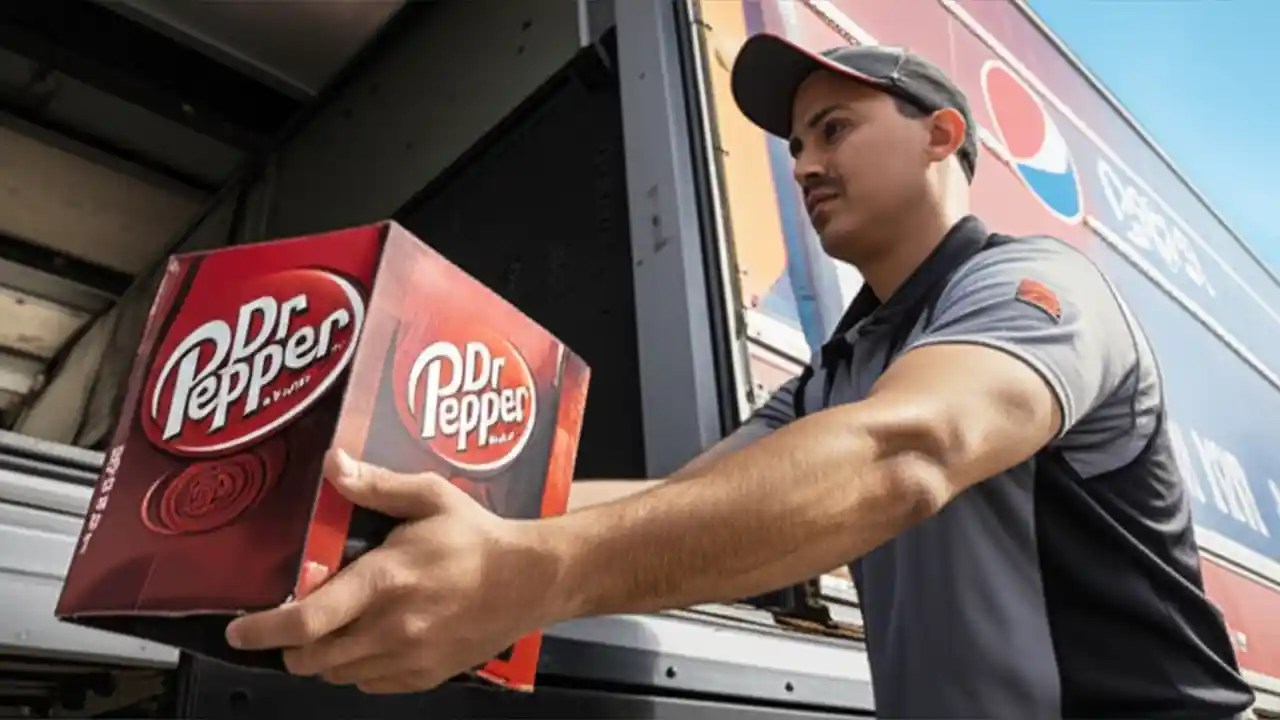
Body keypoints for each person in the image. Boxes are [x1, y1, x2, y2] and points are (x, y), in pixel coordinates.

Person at [222, 33, 1256, 718]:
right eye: (795, 143)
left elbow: (905, 452)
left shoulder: (1036, 284)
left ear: (942, 135)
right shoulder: (839, 366)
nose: (801, 164)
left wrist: (525, 575)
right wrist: (402, 508)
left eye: (834, 128)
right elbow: (681, 500)